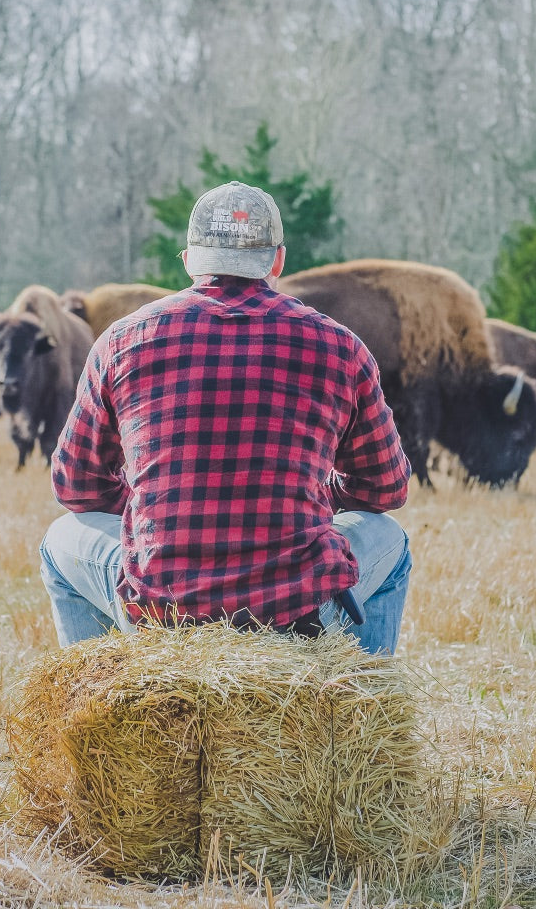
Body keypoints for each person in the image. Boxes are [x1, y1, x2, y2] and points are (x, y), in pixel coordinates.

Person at [40, 181, 414, 654]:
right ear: (278, 261)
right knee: (391, 540)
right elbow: (385, 489)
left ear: (190, 259)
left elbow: (76, 486)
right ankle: (358, 702)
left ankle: (101, 704)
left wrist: (149, 505)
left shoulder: (121, 341)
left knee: (60, 542)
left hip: (161, 611)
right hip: (299, 611)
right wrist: (317, 496)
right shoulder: (340, 346)